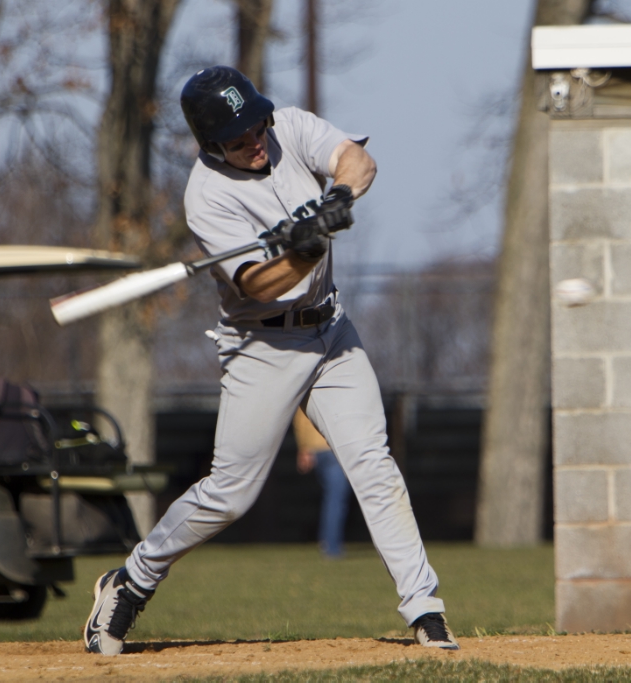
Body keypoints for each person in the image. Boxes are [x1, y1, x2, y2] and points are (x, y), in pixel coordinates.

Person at [84, 66, 458, 655]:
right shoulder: (207, 198)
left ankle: (426, 611)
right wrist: (308, 247)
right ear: (211, 146)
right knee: (230, 493)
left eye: (255, 124)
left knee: (373, 464)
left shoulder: (287, 127)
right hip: (263, 344)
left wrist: (334, 198)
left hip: (331, 332)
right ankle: (131, 580)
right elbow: (260, 285)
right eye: (237, 138)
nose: (255, 140)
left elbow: (358, 163)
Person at [294, 407, 352, 558]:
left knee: (331, 497)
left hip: (315, 449)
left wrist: (303, 447)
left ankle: (327, 541)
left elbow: (300, 419)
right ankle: (331, 545)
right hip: (333, 446)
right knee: (336, 499)